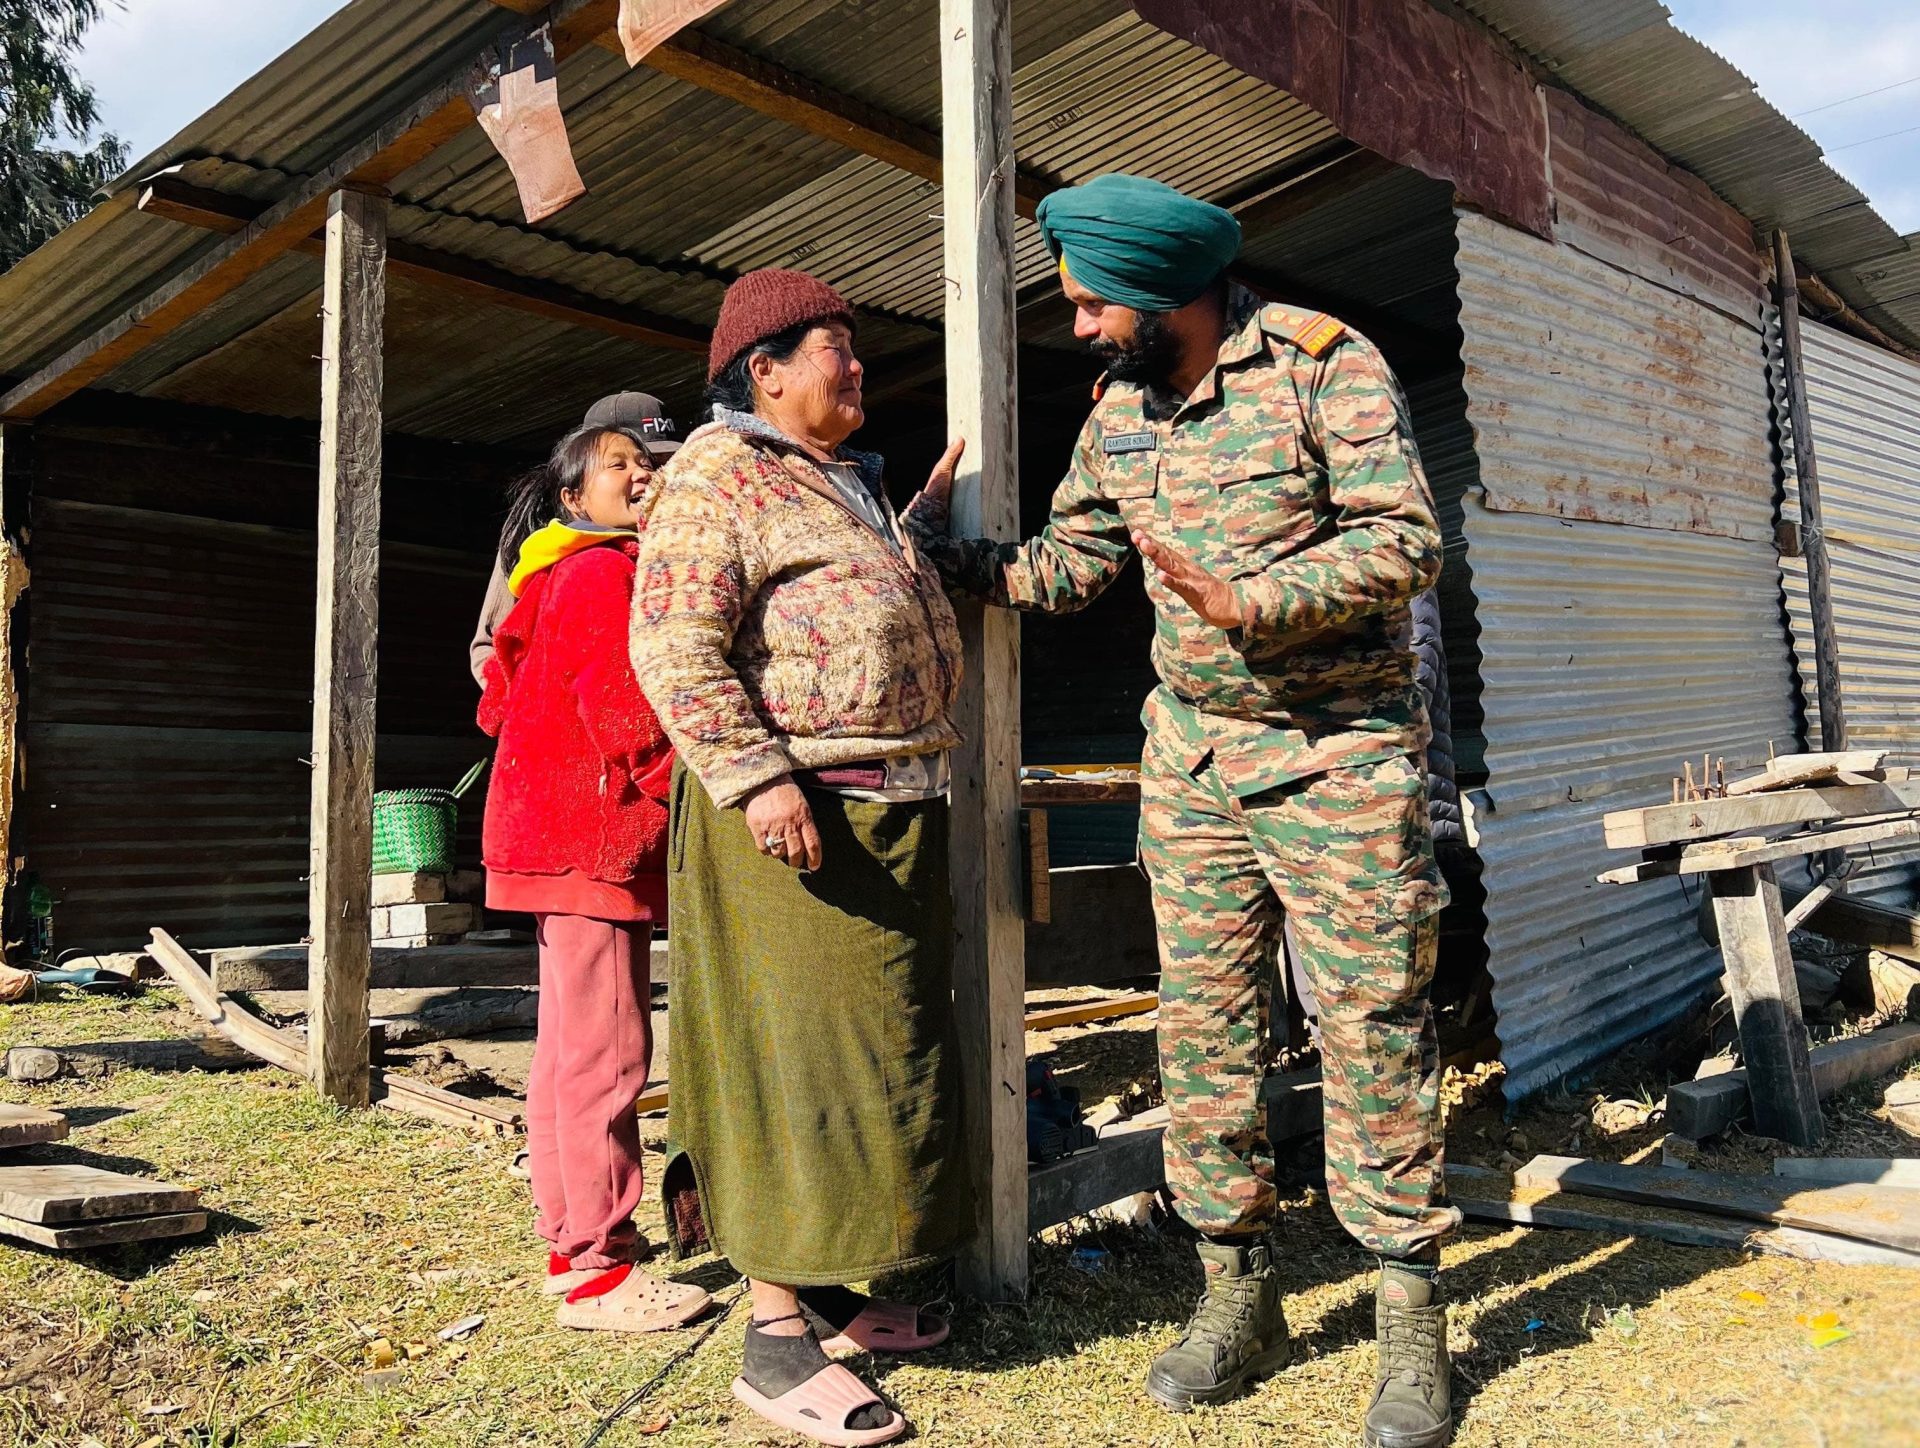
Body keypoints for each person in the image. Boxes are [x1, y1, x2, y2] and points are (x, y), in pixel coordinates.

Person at [906, 174, 1461, 1448]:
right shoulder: (1118, 416)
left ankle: (1411, 1320)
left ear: (1172, 293)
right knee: (1205, 1033)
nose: (1084, 326)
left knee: (1375, 1024)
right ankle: (1239, 1299)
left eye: (1099, 304)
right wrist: (950, 557)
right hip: (1198, 770)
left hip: (1339, 760)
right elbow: (1071, 566)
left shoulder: (1326, 366)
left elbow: (1407, 539)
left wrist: (1252, 598)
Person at [631, 268, 970, 1448]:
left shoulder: (839, 481)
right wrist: (761, 775)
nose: (860, 364)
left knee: (880, 1056)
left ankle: (849, 1287)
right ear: (764, 370)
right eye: (840, 345)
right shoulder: (718, 474)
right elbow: (674, 642)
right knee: (794, 1063)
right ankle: (776, 1338)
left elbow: (843, 607)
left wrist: (917, 524)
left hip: (890, 808)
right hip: (798, 811)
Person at [477, 421, 709, 1335]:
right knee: (610, 1052)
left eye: (649, 463)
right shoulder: (603, 573)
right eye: (621, 465)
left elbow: (500, 695)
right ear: (576, 497)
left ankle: (568, 1240)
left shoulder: (545, 575)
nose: (642, 474)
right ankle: (599, 1270)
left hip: (544, 832)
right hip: (590, 837)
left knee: (564, 1053)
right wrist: (688, 793)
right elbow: (620, 704)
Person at [470, 393, 686, 687]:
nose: (650, 475)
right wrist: (536, 712)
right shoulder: (546, 542)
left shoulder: (686, 527)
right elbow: (491, 647)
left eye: (665, 462)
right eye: (620, 464)